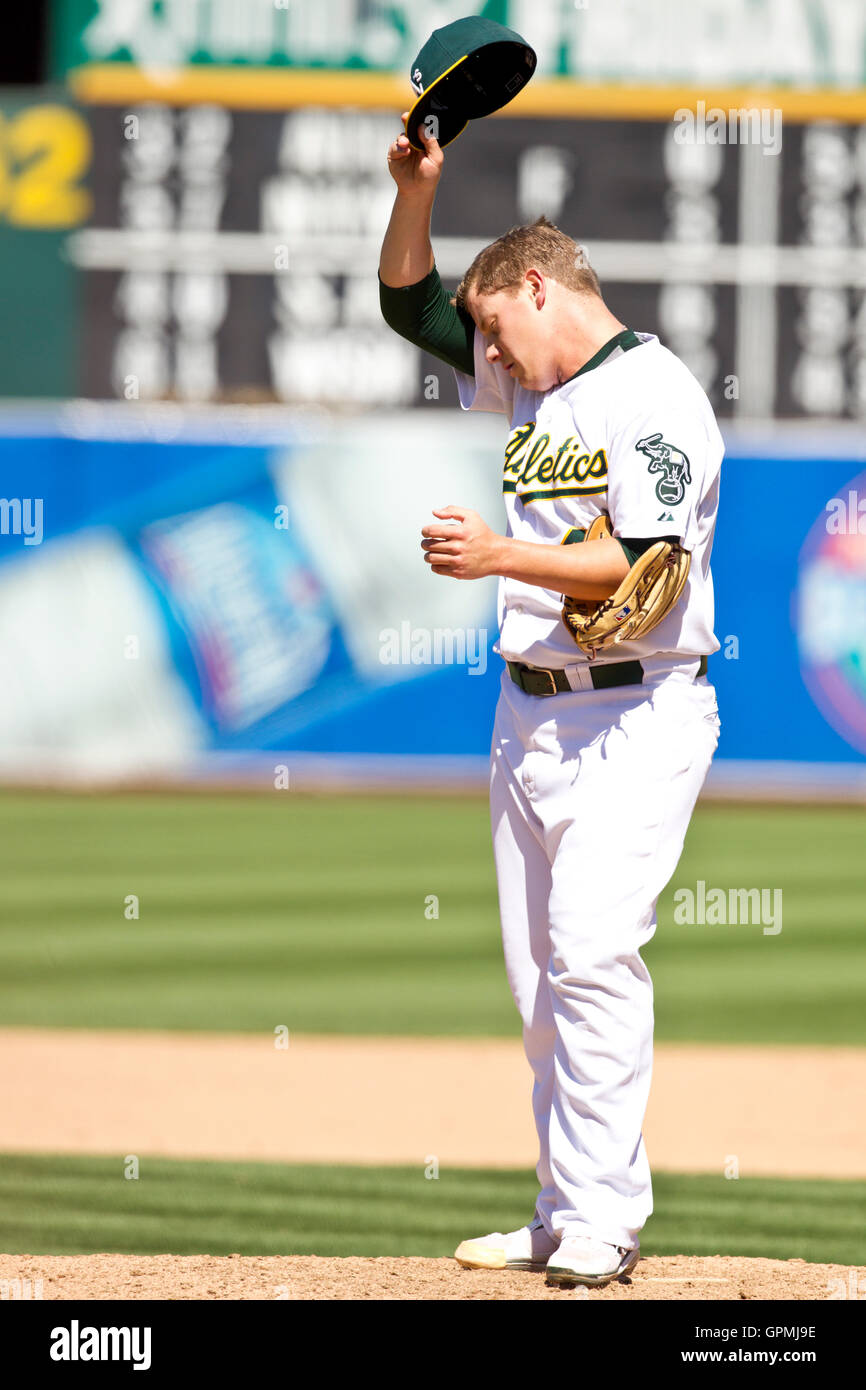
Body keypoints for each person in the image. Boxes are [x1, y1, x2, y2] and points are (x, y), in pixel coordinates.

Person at [378, 116, 722, 1289]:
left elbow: (642, 560)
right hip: (527, 716)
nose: (481, 351)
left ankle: (603, 1223)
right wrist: (417, 191)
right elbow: (408, 306)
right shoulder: (530, 380)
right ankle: (564, 1202)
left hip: (634, 713)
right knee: (539, 985)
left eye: (492, 325)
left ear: (536, 286)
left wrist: (495, 558)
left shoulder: (658, 397)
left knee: (589, 951)